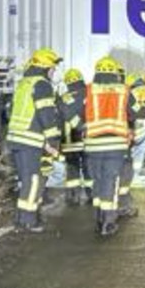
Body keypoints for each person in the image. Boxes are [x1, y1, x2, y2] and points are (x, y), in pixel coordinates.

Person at [6, 47, 63, 232]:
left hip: (16, 138)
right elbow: (46, 114)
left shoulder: (24, 83)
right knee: (33, 180)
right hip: (29, 140)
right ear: (45, 67)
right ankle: (29, 220)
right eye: (53, 68)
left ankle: (21, 219)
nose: (54, 72)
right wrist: (53, 140)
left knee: (26, 180)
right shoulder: (42, 85)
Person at [83, 56, 135, 237]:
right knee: (111, 184)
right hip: (115, 146)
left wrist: (82, 127)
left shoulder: (88, 89)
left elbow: (74, 113)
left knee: (98, 182)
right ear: (114, 72)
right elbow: (134, 113)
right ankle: (109, 223)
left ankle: (99, 219)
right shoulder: (123, 90)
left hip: (93, 145)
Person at [58, 68, 90, 205]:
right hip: (88, 138)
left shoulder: (63, 98)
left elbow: (59, 117)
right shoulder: (90, 94)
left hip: (70, 140)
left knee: (72, 168)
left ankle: (73, 196)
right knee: (89, 167)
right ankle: (92, 194)